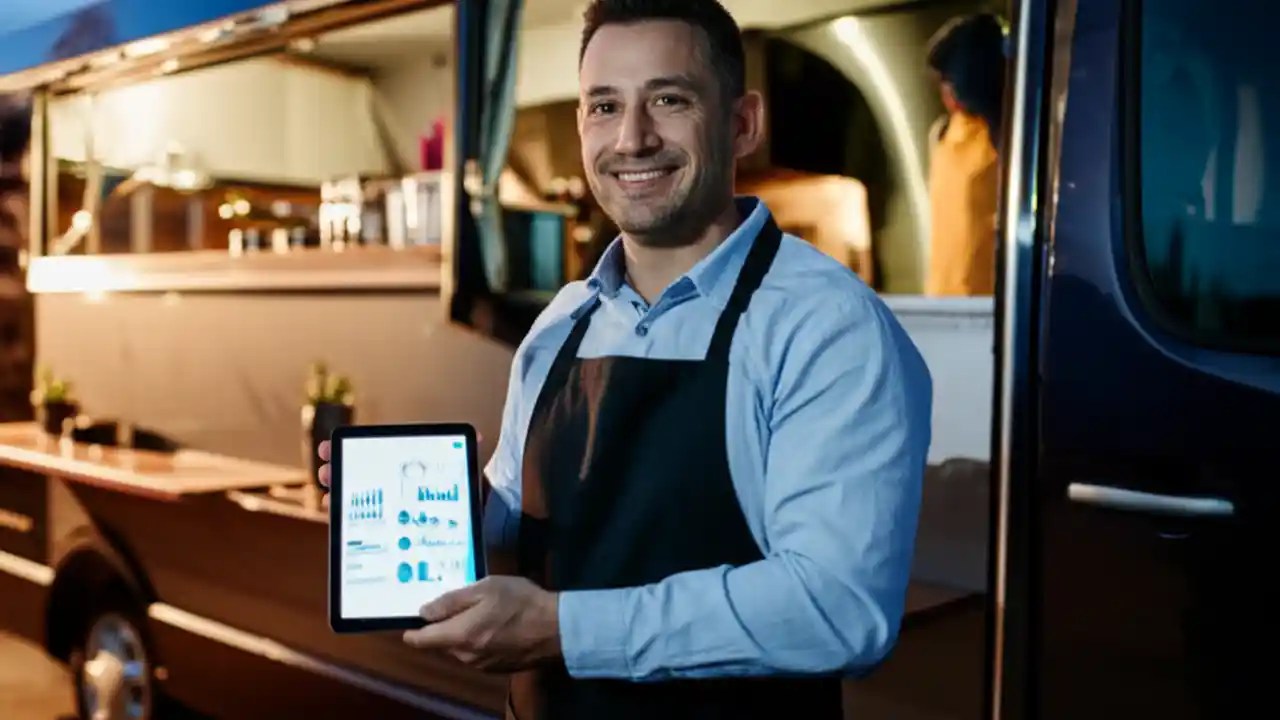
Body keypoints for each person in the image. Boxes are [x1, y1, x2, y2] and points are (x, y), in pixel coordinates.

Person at [320, 0, 931, 717]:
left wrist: (560, 627)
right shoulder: (561, 324)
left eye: (669, 100)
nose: (632, 139)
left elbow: (836, 608)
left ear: (741, 123)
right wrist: (442, 517)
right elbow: (532, 529)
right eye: (604, 107)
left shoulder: (825, 326)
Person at [923, 13, 1006, 297]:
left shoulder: (1000, 136)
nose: (945, 92)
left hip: (987, 304)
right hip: (949, 298)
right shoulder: (943, 133)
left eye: (949, 81)